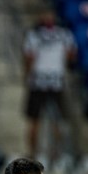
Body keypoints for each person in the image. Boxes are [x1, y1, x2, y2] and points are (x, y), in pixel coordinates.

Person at [22, 12, 75, 164]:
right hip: (53, 80)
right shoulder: (64, 34)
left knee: (43, 120)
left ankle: (40, 153)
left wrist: (27, 76)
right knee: (46, 120)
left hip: (42, 80)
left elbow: (29, 58)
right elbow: (71, 55)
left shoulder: (34, 35)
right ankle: (52, 153)